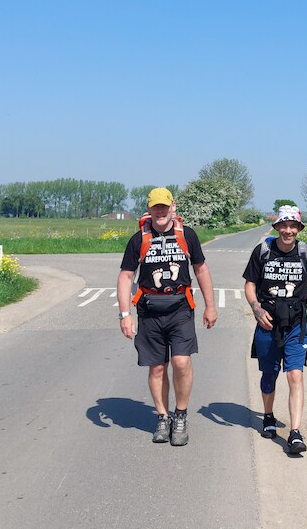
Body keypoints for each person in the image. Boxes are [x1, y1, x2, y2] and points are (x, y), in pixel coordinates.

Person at [117, 187, 217, 446]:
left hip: (180, 308)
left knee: (181, 362)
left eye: (164, 206)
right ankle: (163, 417)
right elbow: (126, 276)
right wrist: (125, 314)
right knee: (158, 367)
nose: (160, 211)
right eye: (156, 207)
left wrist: (210, 306)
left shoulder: (187, 235)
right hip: (150, 310)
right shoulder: (139, 239)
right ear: (149, 209)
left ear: (173, 207)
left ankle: (180, 415)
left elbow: (201, 270)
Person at [243, 205, 307, 455]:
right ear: (277, 227)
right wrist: (256, 309)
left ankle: (295, 432)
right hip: (268, 323)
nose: (288, 230)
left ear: (299, 228)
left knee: (295, 375)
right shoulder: (262, 251)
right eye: (284, 225)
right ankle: (268, 416)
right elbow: (250, 284)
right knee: (269, 374)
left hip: (296, 325)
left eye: (293, 226)